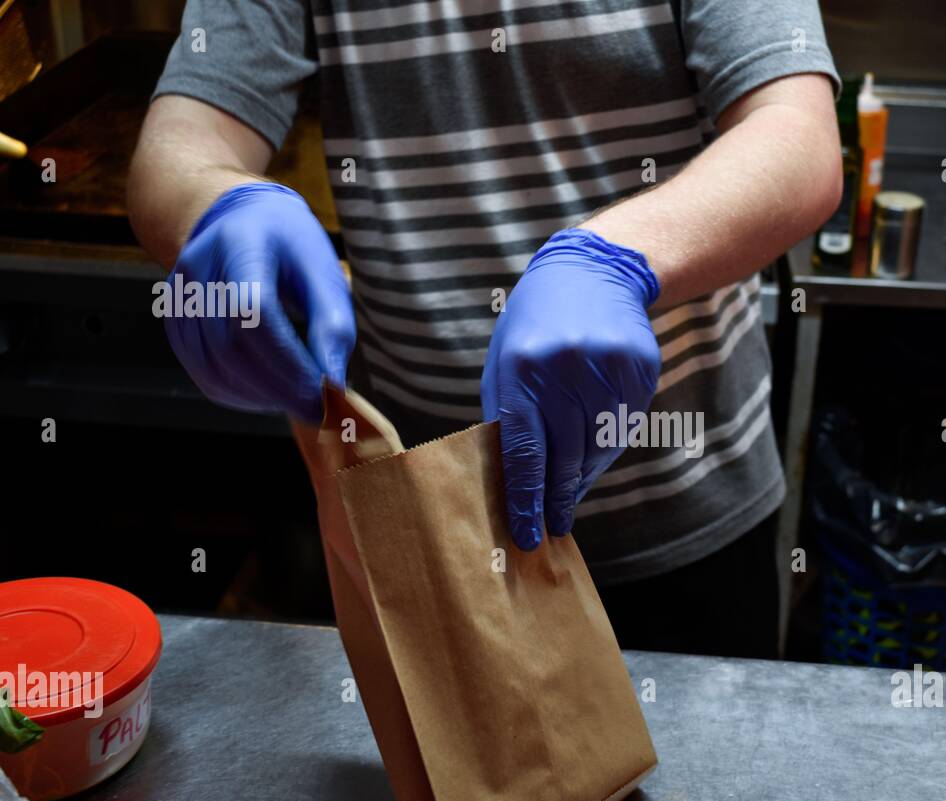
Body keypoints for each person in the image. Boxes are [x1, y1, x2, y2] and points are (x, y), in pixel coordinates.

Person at [128, 0, 842, 658]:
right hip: (423, 527)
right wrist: (214, 205)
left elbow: (797, 135)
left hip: (688, 521)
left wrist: (614, 258)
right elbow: (181, 140)